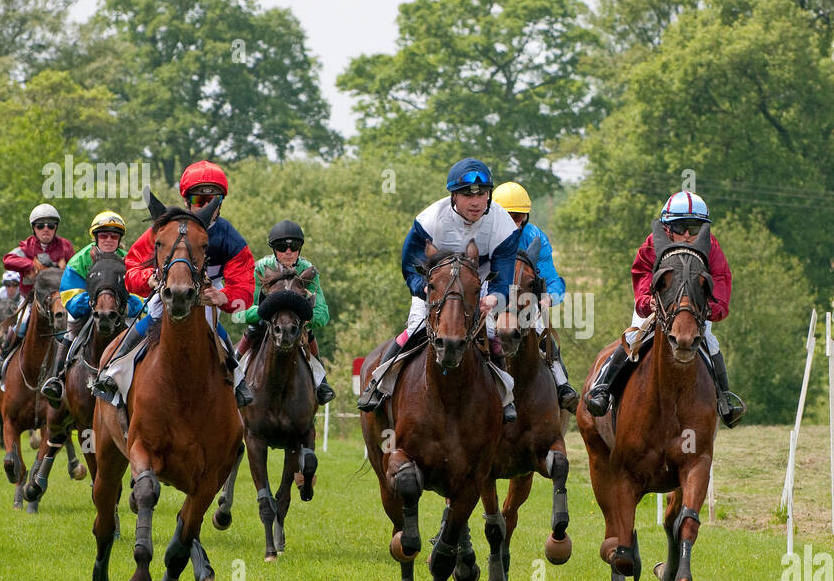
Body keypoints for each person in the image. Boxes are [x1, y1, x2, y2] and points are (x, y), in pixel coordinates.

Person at [356, 157, 520, 421]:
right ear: (454, 196)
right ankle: (379, 382)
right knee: (416, 328)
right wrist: (426, 290)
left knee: (491, 332)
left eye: (483, 194)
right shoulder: (430, 219)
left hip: (476, 288)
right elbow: (410, 265)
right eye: (467, 195)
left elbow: (504, 275)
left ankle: (505, 396)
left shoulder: (504, 226)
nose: (476, 202)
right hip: (435, 287)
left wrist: (493, 299)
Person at [93, 160, 255, 407]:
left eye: (214, 200)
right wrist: (148, 279)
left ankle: (238, 378)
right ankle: (113, 370)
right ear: (187, 200)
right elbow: (133, 266)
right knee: (152, 318)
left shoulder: (229, 237)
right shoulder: (164, 230)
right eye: (201, 200)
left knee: (215, 330)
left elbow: (244, 282)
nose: (207, 207)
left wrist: (225, 297)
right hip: (166, 291)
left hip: (205, 296)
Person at [584, 191, 746, 428]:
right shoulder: (652, 244)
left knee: (710, 342)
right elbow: (641, 273)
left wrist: (715, 307)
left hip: (695, 308)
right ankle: (602, 388)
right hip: (657, 306)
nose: (688, 235)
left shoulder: (711, 246)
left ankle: (725, 400)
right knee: (633, 336)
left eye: (695, 227)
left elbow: (721, 277)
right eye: (681, 227)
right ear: (667, 227)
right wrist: (646, 300)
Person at [40, 211, 145, 406]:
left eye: (114, 236)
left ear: (119, 238)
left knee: (140, 327)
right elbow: (69, 295)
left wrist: (125, 306)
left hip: (119, 313)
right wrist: (94, 302)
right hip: (88, 311)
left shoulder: (130, 260)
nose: (108, 240)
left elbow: (140, 294)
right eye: (103, 235)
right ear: (95, 237)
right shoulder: (79, 261)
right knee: (70, 326)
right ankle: (57, 379)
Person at [493, 181, 580, 413]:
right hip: (491, 298)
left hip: (524, 303)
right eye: (508, 216)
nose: (515, 221)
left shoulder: (534, 236)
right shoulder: (485, 234)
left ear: (526, 215)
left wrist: (549, 297)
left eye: (519, 215)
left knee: (543, 333)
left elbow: (551, 277)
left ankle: (562, 386)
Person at [232, 219, 336, 405]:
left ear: (299, 249)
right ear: (274, 249)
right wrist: (267, 310)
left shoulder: (308, 270)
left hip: (297, 327)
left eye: (293, 246)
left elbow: (323, 314)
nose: (288, 252)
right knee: (253, 329)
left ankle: (321, 382)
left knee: (307, 333)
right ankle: (234, 373)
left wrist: (304, 317)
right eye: (282, 247)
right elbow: (240, 313)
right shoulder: (260, 268)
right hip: (264, 325)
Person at [0, 204, 76, 380]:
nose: (46, 229)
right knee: (21, 325)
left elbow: (74, 268)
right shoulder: (26, 247)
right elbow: (7, 260)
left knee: (70, 329)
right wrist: (30, 265)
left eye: (51, 225)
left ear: (55, 228)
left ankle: (71, 367)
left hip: (58, 300)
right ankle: (2, 359)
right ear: (34, 229)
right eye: (41, 225)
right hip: (32, 299)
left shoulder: (65, 247)